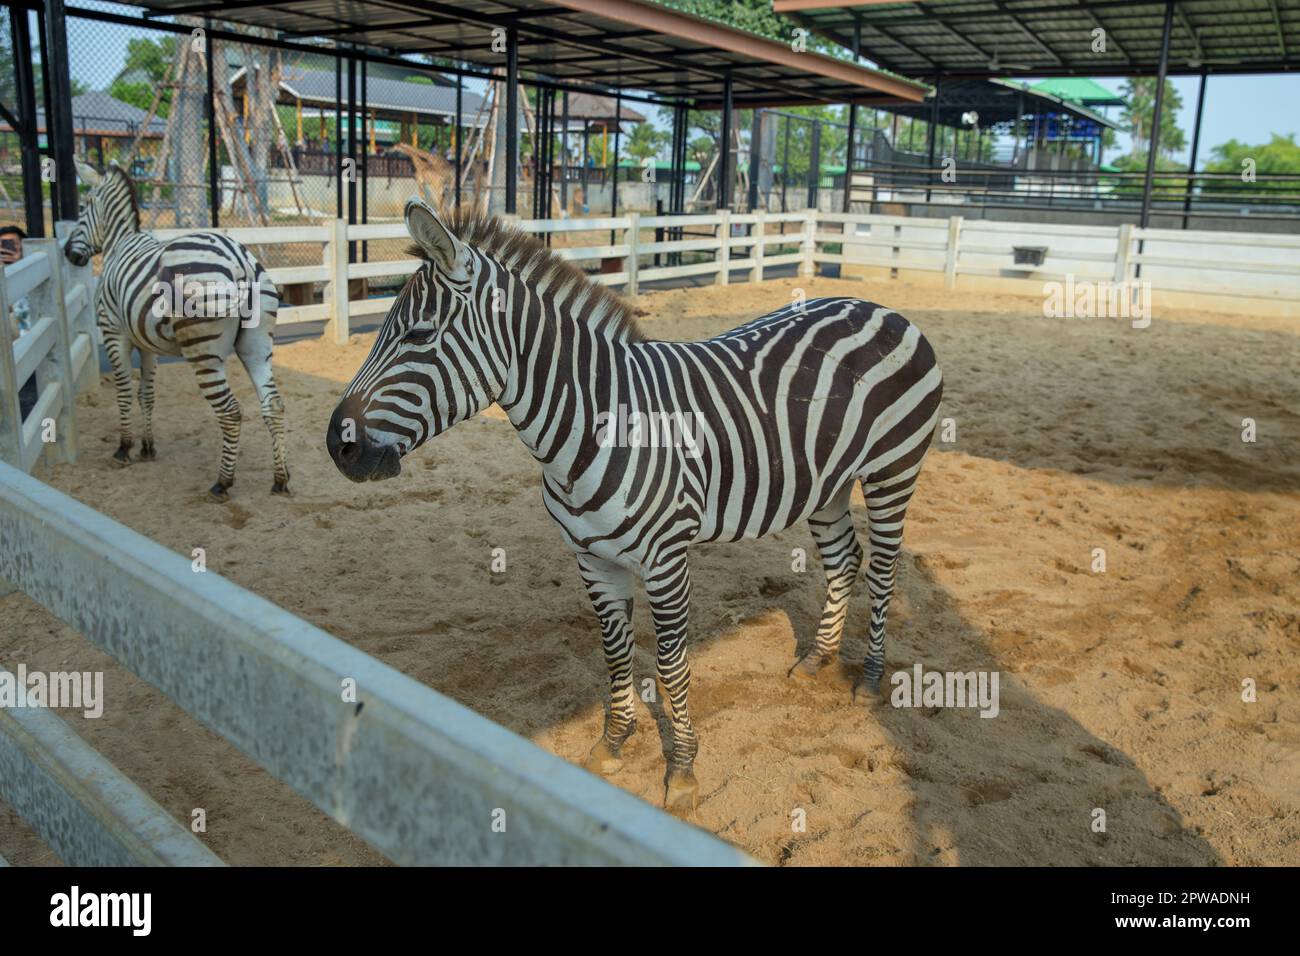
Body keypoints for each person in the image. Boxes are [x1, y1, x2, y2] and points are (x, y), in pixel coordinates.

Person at [1, 225, 38, 420]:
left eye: (11, 245)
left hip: (25, 354)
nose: (6, 250)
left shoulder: (34, 276)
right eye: (2, 245)